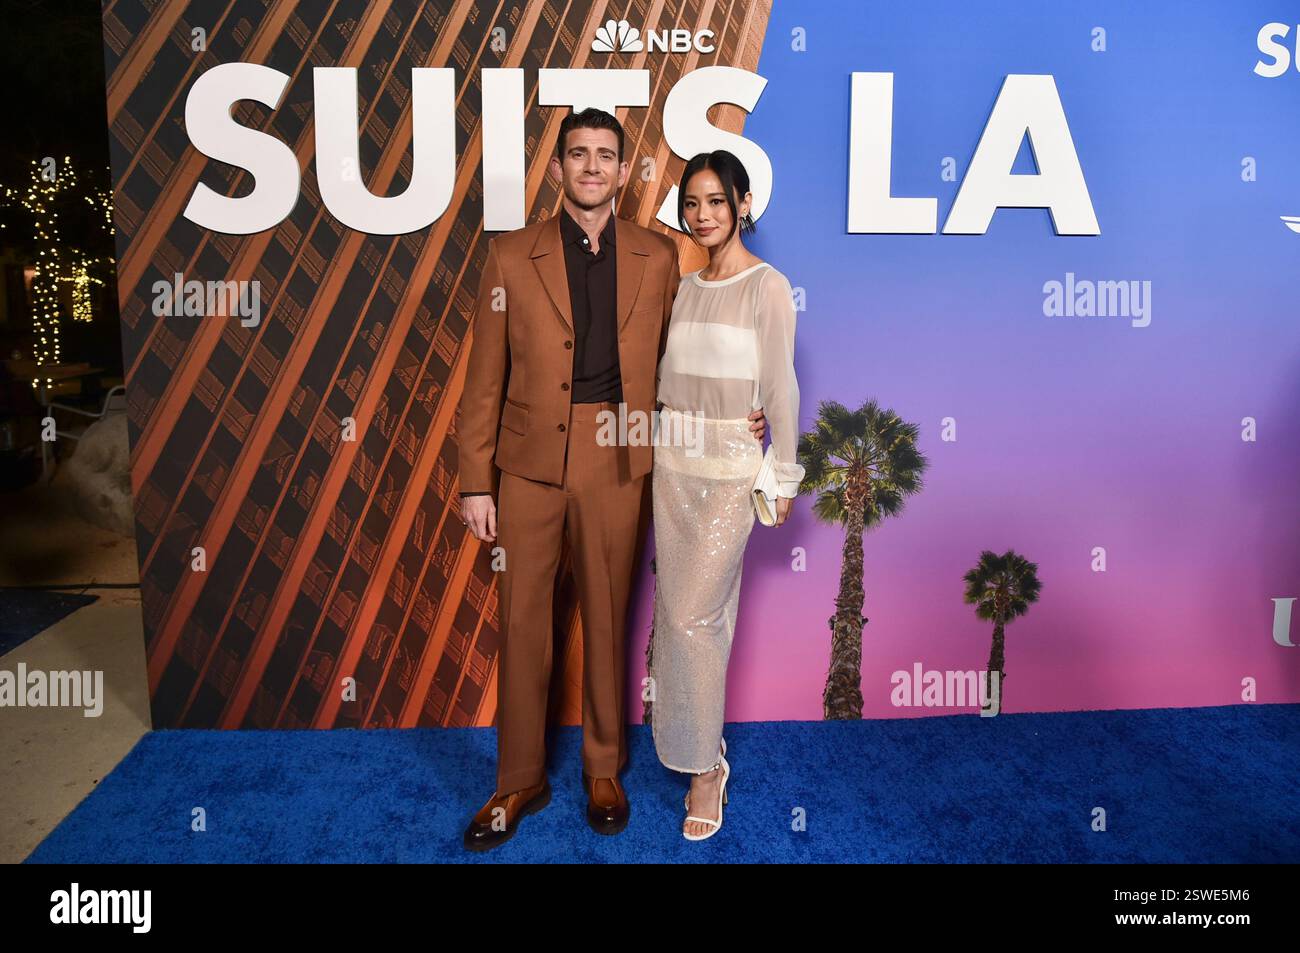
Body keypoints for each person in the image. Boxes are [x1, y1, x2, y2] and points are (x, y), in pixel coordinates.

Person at [456, 109, 766, 851]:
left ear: (625, 173)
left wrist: (736, 418)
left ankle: (604, 768)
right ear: (557, 167)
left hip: (620, 457)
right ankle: (517, 779)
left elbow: (681, 360)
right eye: (578, 155)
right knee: (524, 622)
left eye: (605, 156)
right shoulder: (507, 255)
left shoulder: (658, 257)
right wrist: (475, 481)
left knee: (607, 617)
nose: (592, 167)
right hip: (526, 465)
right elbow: (482, 380)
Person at [649, 150, 803, 840]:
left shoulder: (767, 286)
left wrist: (785, 468)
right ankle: (694, 749)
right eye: (692, 203)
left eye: (716, 201)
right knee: (678, 615)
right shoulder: (684, 288)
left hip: (730, 471)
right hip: (671, 467)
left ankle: (707, 769)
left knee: (692, 615)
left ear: (742, 204)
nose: (703, 215)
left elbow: (782, 386)